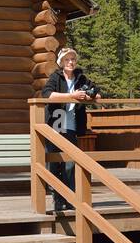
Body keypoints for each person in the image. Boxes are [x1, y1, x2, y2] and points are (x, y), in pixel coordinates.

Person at [39, 47, 101, 212]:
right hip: (55, 126)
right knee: (53, 164)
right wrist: (71, 96)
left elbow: (97, 94)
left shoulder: (81, 78)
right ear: (61, 62)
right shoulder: (56, 77)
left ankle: (70, 198)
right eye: (67, 60)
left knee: (70, 165)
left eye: (73, 59)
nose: (71, 62)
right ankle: (57, 198)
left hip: (72, 127)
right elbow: (47, 95)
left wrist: (88, 96)